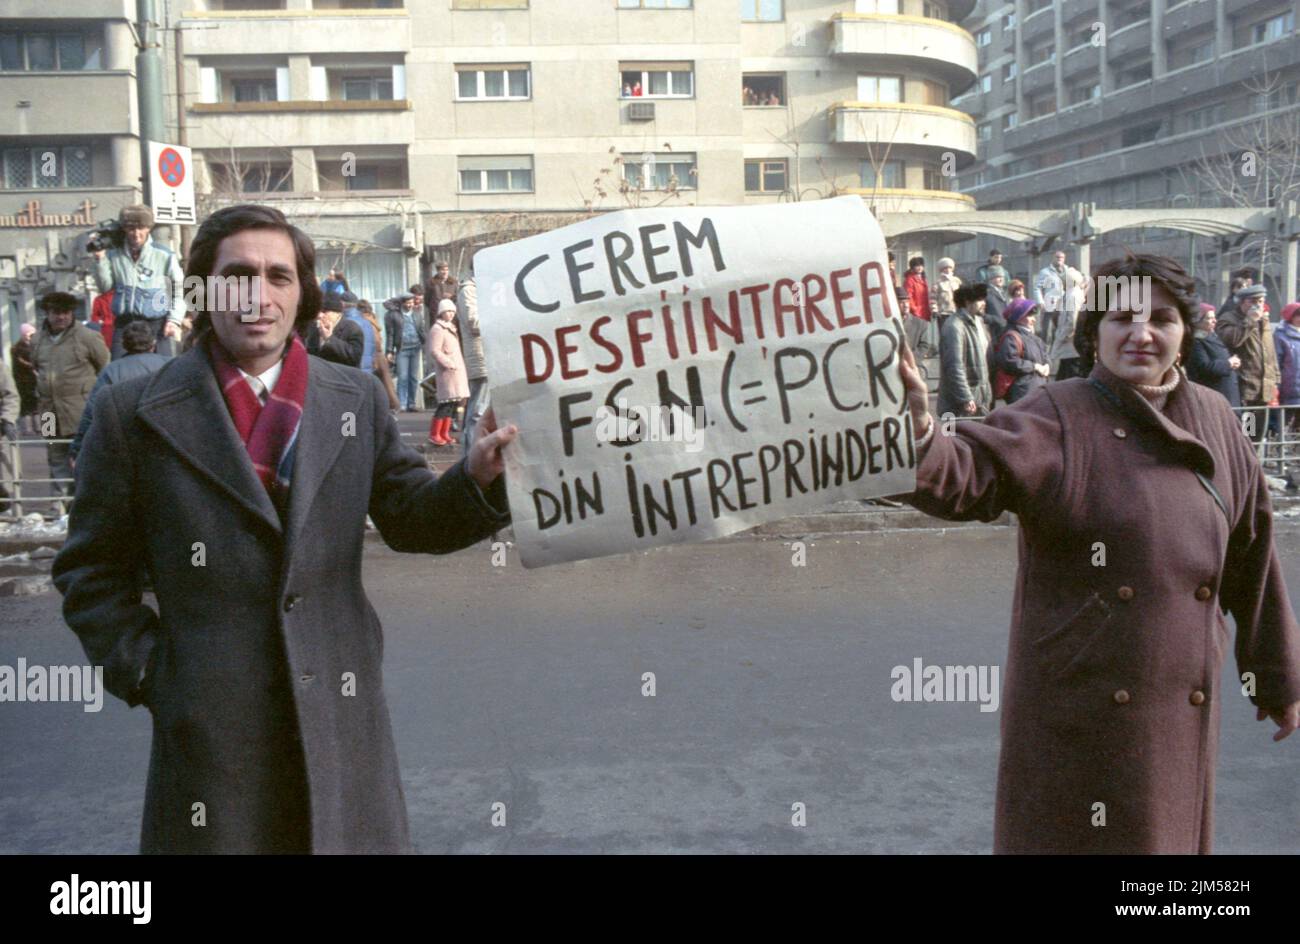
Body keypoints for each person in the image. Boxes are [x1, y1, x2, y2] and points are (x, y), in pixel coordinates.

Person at [52, 203, 517, 854]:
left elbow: (414, 519)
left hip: (339, 715)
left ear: (300, 293)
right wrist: (159, 677)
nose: (258, 295)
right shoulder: (134, 414)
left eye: (278, 276)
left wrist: (477, 474)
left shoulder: (353, 399)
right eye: (237, 275)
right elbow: (90, 573)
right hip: (211, 740)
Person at [898, 252, 1300, 853]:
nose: (1142, 334)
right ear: (1095, 332)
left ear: (1186, 333)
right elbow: (965, 473)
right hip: (1079, 710)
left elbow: (1251, 554)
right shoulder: (1059, 412)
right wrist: (918, 434)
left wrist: (1277, 677)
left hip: (1177, 704)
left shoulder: (1215, 416)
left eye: (1162, 319)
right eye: (1121, 318)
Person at [32, 292, 109, 502]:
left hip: (79, 411)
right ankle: (59, 504)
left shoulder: (87, 337)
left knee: (84, 457)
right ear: (47, 313)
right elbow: (36, 367)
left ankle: (86, 505)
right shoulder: (37, 340)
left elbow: (105, 369)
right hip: (49, 413)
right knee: (54, 454)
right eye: (56, 312)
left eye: (66, 312)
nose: (61, 317)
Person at [91, 204, 185, 360]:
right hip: (125, 324)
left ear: (149, 228)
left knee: (162, 370)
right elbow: (104, 287)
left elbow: (179, 290)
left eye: (141, 228)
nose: (136, 234)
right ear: (124, 230)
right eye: (131, 229)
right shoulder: (114, 255)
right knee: (120, 370)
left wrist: (174, 320)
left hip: (156, 325)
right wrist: (100, 259)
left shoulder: (164, 255)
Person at [69, 320, 168, 466]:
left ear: (123, 344)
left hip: (126, 442)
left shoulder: (112, 370)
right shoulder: (171, 365)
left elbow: (92, 410)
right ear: (153, 343)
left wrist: (78, 448)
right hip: (165, 439)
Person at [1217, 284, 1279, 444]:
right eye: (1254, 301)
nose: (1258, 305)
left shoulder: (1263, 320)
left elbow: (1269, 352)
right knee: (1247, 432)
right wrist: (1249, 321)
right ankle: (1247, 461)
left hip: (1264, 387)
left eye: (1261, 301)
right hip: (1245, 387)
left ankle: (1256, 462)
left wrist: (1276, 379)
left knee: (1260, 431)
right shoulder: (1229, 319)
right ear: (1243, 302)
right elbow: (1233, 341)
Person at [938, 283, 992, 418]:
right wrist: (965, 397)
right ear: (967, 302)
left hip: (979, 399)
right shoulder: (954, 327)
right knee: (950, 436)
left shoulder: (978, 322)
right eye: (980, 300)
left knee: (975, 438)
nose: (984, 303)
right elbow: (954, 366)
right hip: (958, 405)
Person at [1035, 249, 1086, 379]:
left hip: (1070, 346)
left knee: (1068, 376)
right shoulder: (1046, 273)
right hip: (1051, 309)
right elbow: (1037, 288)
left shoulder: (1072, 295)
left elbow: (1071, 322)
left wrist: (1061, 336)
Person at [427, 299, 469, 447]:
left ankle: (444, 433)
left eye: (452, 311)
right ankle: (434, 434)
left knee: (452, 403)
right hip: (448, 371)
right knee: (444, 404)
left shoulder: (450, 327)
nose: (450, 314)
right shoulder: (437, 329)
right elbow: (435, 350)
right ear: (441, 312)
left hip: (456, 371)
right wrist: (448, 363)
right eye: (447, 311)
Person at [992, 298, 1050, 404]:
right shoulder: (1011, 337)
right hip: (1022, 394)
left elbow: (1044, 354)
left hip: (1038, 391)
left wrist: (1047, 365)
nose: (1034, 320)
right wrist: (1035, 367)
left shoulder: (1034, 337)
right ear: (1019, 317)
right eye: (1030, 316)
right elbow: (1009, 361)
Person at [456, 267, 489, 452]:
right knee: (478, 410)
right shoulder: (468, 289)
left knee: (479, 408)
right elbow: (473, 322)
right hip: (480, 356)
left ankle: (472, 454)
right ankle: (470, 455)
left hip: (487, 355)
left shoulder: (480, 288)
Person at [1186, 303, 1240, 407]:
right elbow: (1204, 367)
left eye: (1214, 317)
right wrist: (1228, 363)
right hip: (1214, 397)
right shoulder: (1196, 342)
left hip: (1227, 395)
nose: (1215, 321)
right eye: (1209, 318)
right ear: (1198, 321)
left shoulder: (1212, 337)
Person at [384, 292, 426, 411]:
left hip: (416, 348)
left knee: (413, 377)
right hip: (402, 348)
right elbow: (390, 334)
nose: (410, 305)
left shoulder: (417, 314)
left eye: (412, 302)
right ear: (402, 303)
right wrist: (389, 350)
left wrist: (426, 343)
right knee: (402, 376)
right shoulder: (395, 315)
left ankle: (411, 403)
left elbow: (421, 330)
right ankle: (401, 403)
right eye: (407, 303)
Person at [304, 294, 364, 368]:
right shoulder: (313, 328)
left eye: (325, 311)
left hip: (342, 376)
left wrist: (330, 339)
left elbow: (354, 357)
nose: (320, 315)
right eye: (318, 311)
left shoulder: (351, 328)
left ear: (338, 313)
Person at [1273, 302, 1300, 448]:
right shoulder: (1281, 336)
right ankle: (1278, 452)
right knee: (1283, 423)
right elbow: (1277, 361)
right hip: (1289, 388)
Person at [10, 323, 39, 435]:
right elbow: (21, 362)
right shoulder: (17, 348)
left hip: (38, 380)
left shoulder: (37, 346)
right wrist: (33, 366)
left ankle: (44, 430)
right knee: (27, 404)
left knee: (40, 405)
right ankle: (28, 429)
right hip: (24, 381)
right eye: (29, 334)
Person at [932, 257, 961, 326]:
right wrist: (934, 310)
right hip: (943, 313)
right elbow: (933, 298)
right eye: (945, 268)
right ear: (941, 270)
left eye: (949, 268)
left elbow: (962, 296)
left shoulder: (957, 281)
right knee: (944, 333)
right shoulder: (937, 283)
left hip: (956, 312)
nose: (947, 270)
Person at [904, 256, 931, 321]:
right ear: (912, 267)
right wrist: (915, 309)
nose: (920, 268)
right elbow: (908, 296)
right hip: (916, 313)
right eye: (917, 266)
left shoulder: (923, 279)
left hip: (924, 311)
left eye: (921, 265)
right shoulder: (910, 280)